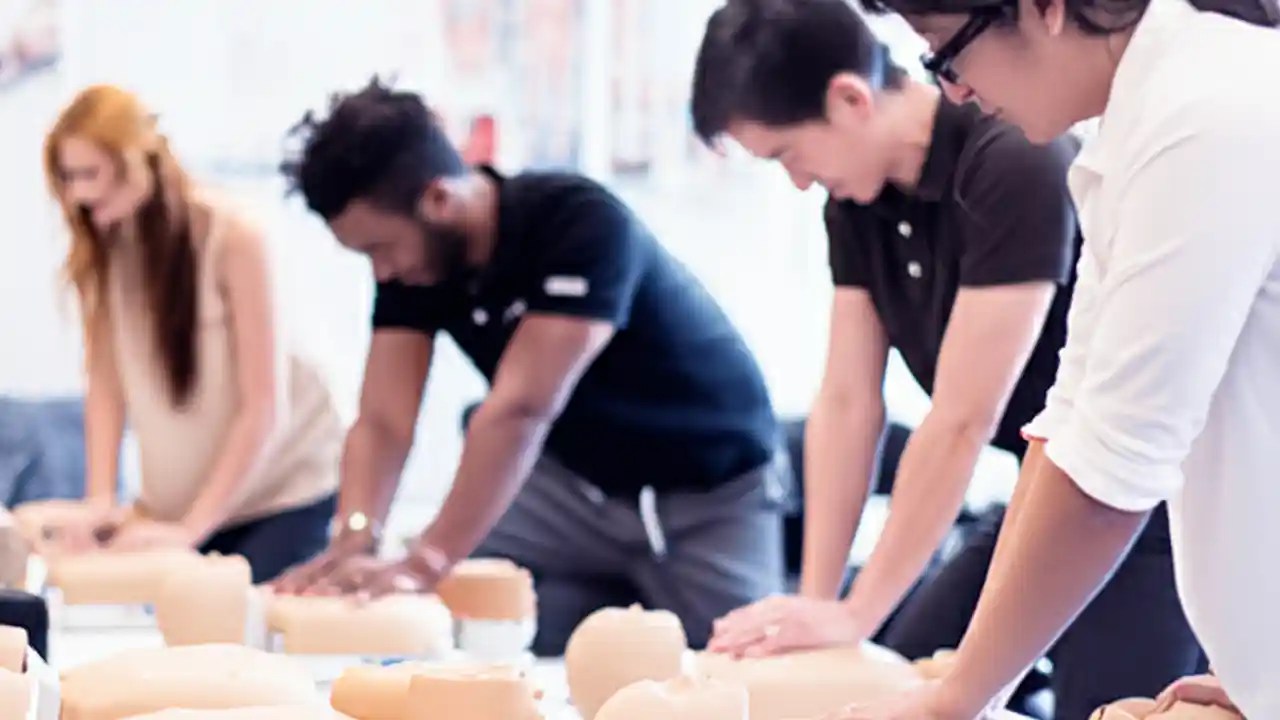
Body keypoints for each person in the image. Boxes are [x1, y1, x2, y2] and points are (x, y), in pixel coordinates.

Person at [688, 1, 1206, 718]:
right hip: (1047, 484)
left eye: (786, 155)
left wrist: (856, 612)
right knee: (901, 666)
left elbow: (964, 418)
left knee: (1091, 704)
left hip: (1145, 504)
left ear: (849, 98)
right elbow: (847, 403)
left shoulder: (1013, 159)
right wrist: (819, 606)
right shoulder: (855, 205)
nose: (798, 182)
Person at [803, 0, 1280, 718]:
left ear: (1044, 9)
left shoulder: (1206, 112)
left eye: (944, 49)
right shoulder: (1139, 128)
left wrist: (958, 698)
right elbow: (1068, 419)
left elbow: (1116, 460)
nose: (952, 88)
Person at [271, 78, 790, 656]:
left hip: (709, 486)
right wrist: (355, 539)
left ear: (439, 200)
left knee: (746, 658)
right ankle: (599, 595)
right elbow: (383, 420)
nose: (382, 273)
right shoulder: (414, 267)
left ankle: (684, 580)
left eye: (379, 250)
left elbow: (520, 411)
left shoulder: (578, 222)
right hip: (575, 487)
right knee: (459, 618)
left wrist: (428, 561)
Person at [41, 85, 347, 583]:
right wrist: (100, 502)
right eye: (67, 177)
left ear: (140, 161)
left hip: (281, 497)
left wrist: (191, 530)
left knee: (246, 635)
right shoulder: (103, 248)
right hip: (178, 510)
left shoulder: (235, 237)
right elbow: (105, 388)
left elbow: (264, 407)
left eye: (90, 173)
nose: (78, 193)